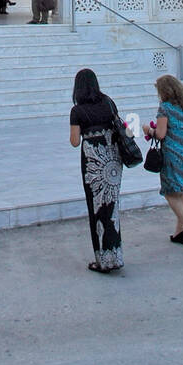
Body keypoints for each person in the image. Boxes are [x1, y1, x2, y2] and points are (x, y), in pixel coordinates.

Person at [69, 67, 124, 273]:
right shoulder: (109, 102)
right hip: (113, 161)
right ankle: (115, 255)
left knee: (96, 210)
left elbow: (75, 141)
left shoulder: (78, 111)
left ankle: (103, 260)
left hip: (93, 164)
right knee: (112, 208)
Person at [145, 74, 183, 246]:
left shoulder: (165, 108)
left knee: (169, 192)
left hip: (172, 154)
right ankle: (179, 233)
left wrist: (148, 130)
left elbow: (161, 134)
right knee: (181, 191)